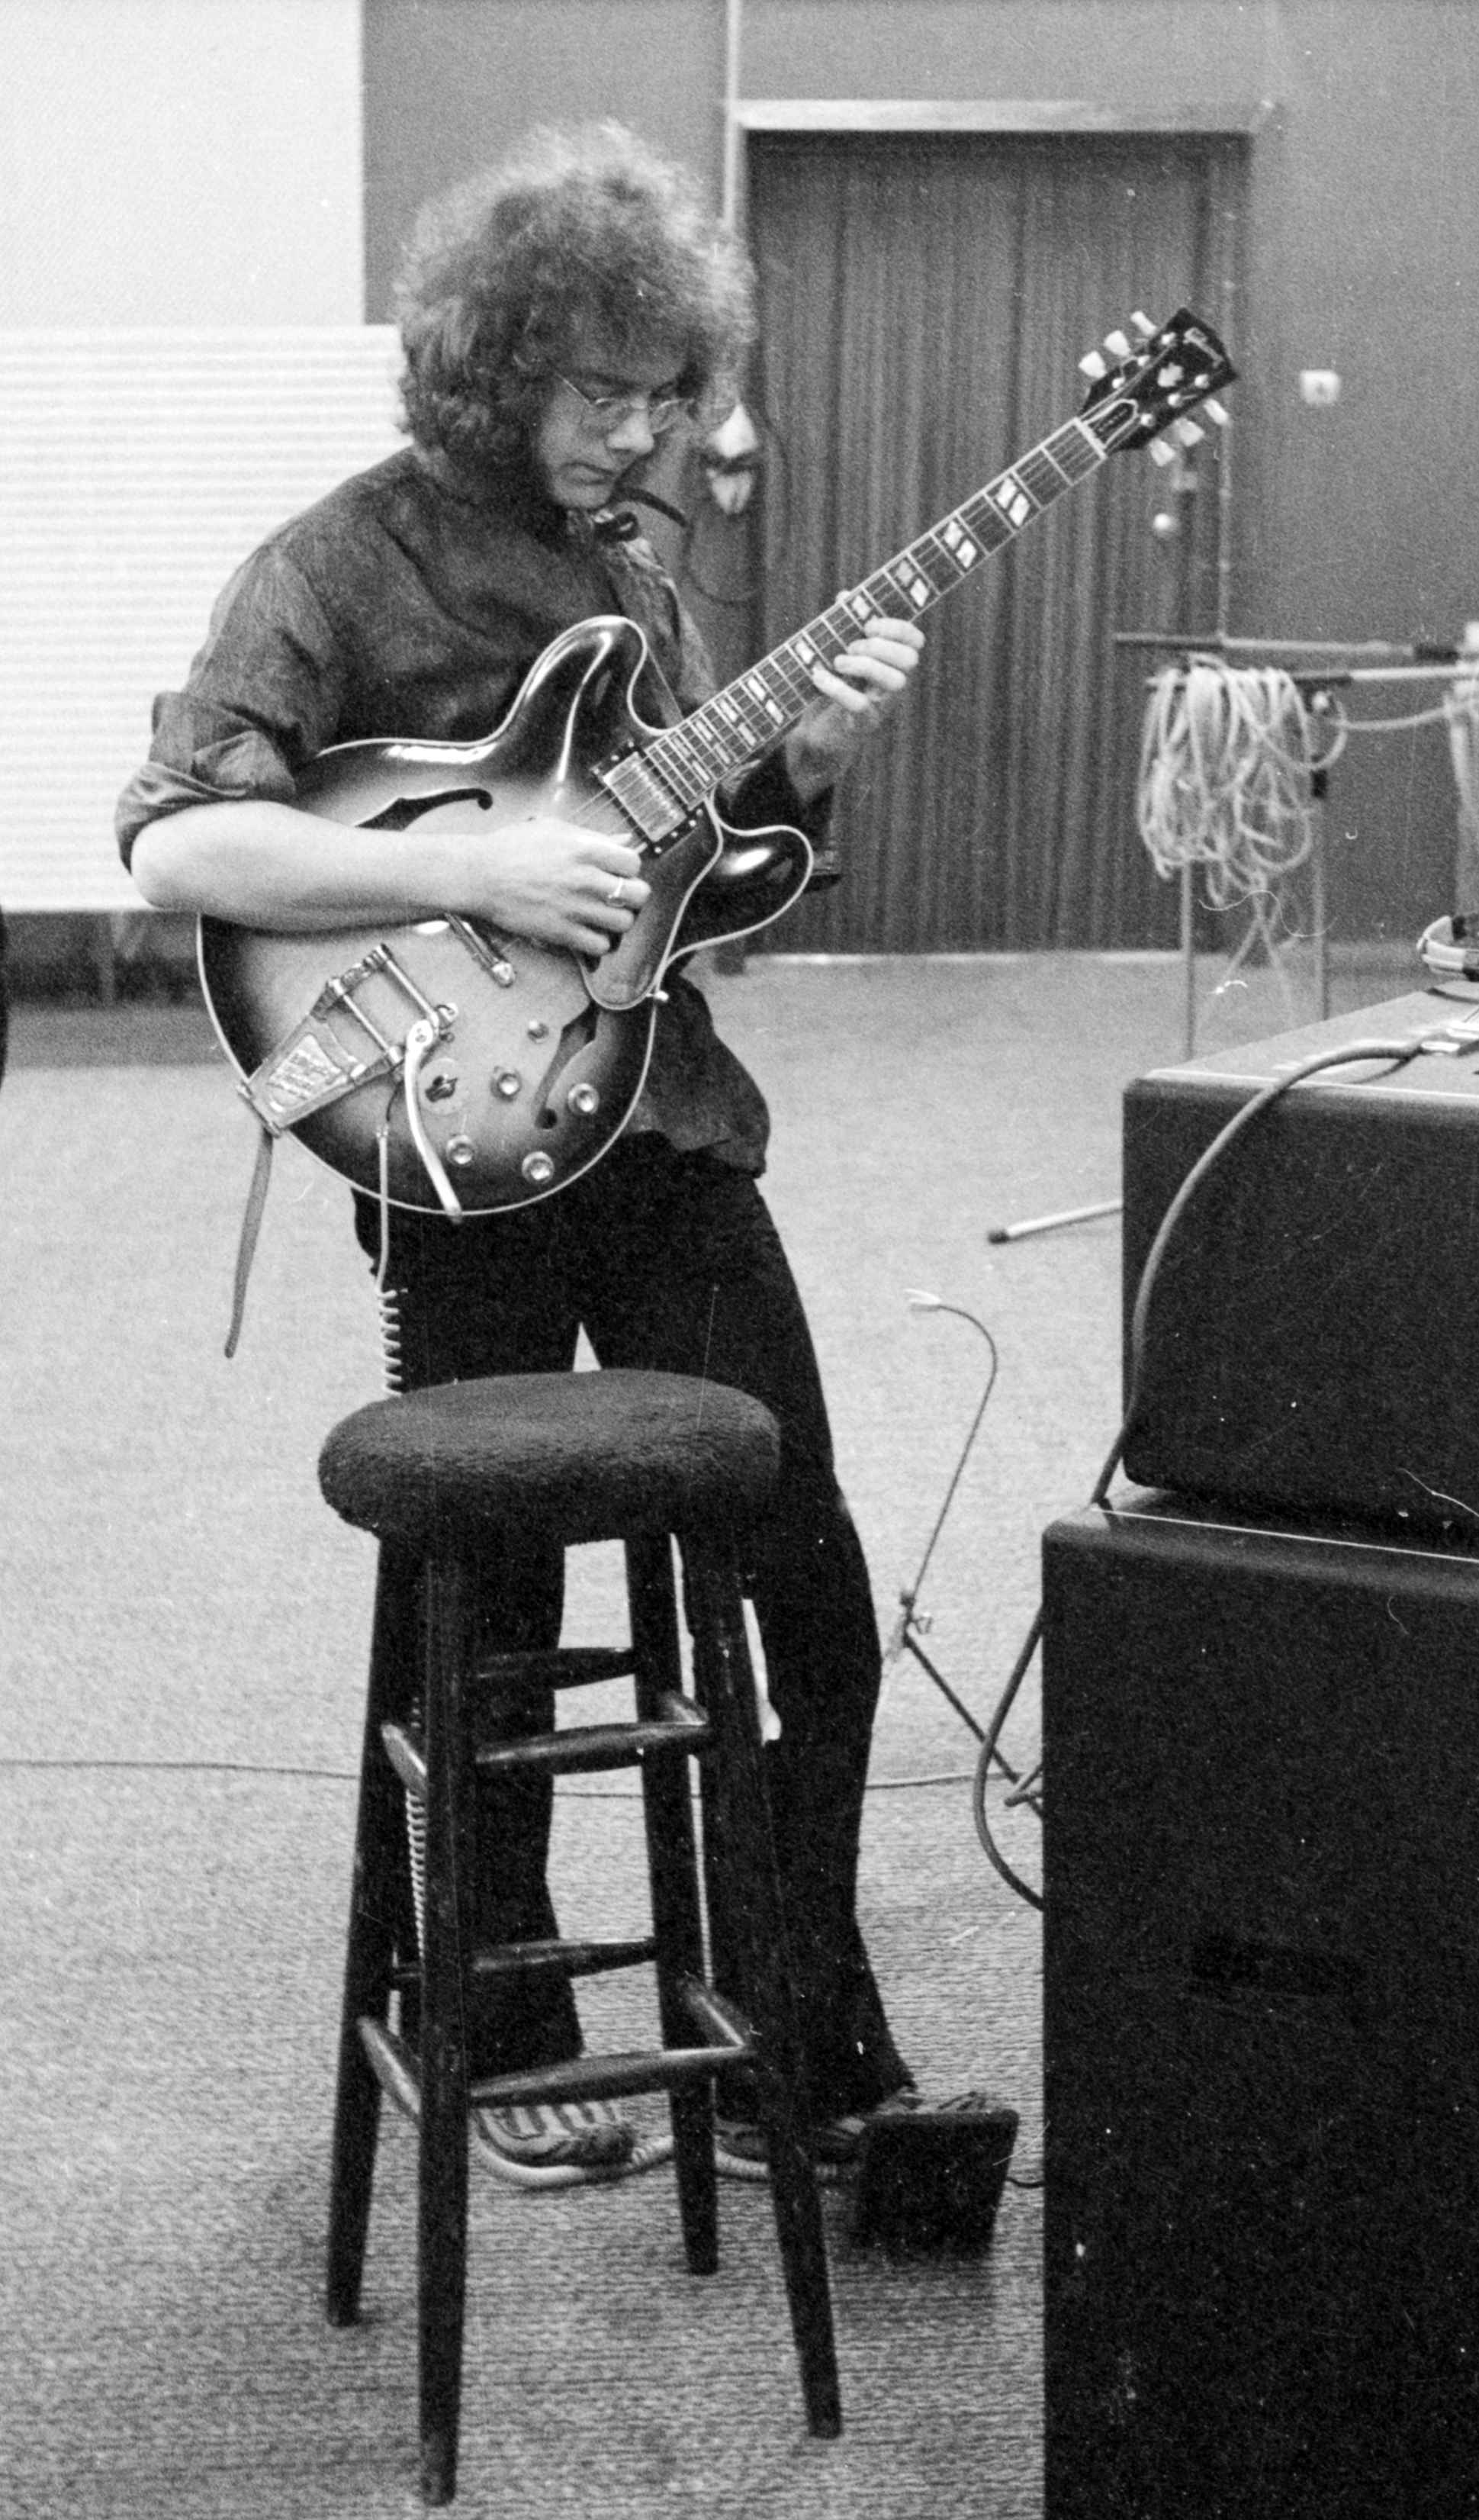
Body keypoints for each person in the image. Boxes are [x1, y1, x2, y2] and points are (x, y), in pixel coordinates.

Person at [117, 121, 967, 2190]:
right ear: (493, 373)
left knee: (809, 1586)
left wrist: (805, 761)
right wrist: (475, 863)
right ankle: (495, 2008)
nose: (642, 432)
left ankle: (792, 2028)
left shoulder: (636, 579)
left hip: (664, 1128)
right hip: (455, 1143)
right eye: (602, 393)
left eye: (668, 393)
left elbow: (682, 882)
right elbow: (178, 845)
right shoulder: (337, 567)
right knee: (494, 1609)